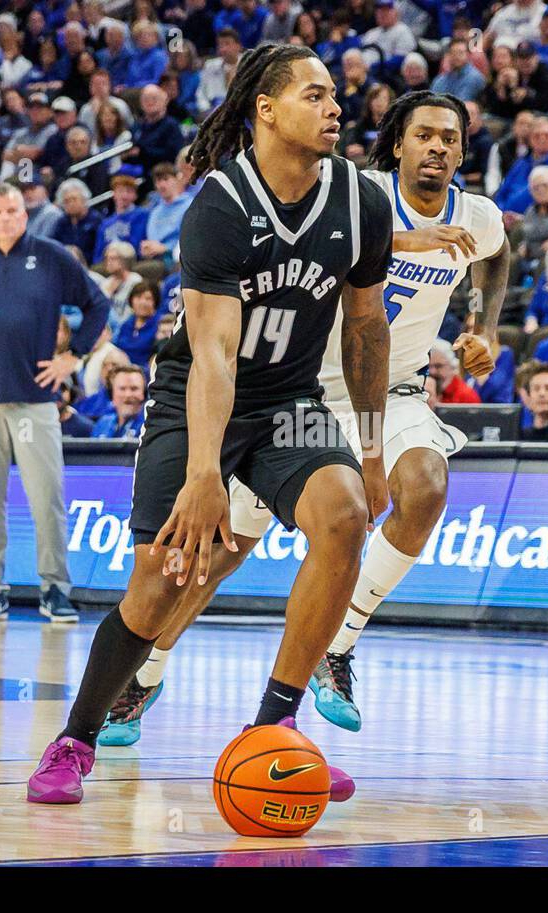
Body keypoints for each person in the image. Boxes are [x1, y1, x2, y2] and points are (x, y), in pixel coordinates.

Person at [26, 44, 393, 806]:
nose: (335, 108)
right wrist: (203, 475)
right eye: (315, 95)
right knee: (162, 583)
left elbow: (365, 328)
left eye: (335, 97)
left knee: (345, 515)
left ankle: (275, 732)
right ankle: (76, 738)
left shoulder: (360, 200)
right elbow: (215, 357)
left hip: (288, 405)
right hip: (194, 399)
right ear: (266, 108)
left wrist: (372, 443)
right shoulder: (222, 206)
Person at [97, 88, 507, 745]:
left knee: (426, 484)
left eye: (450, 138)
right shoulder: (352, 190)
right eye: (423, 134)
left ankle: (337, 646)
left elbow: (494, 256)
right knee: (217, 555)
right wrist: (403, 237)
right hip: (299, 391)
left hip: (387, 391)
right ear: (397, 143)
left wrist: (482, 322)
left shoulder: (478, 216)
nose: (437, 146)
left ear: (462, 151)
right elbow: (313, 239)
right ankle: (145, 675)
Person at [0, 181, 110, 625]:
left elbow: (97, 304)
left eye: (14, 210)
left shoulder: (51, 257)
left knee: (45, 497)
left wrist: (72, 358)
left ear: (24, 212)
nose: (7, 218)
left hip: (34, 400)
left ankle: (55, 588)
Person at [90, 365, 148, 438]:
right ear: (111, 394)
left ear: (144, 394)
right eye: (122, 389)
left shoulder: (150, 426)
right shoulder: (103, 424)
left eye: (134, 389)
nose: (128, 395)